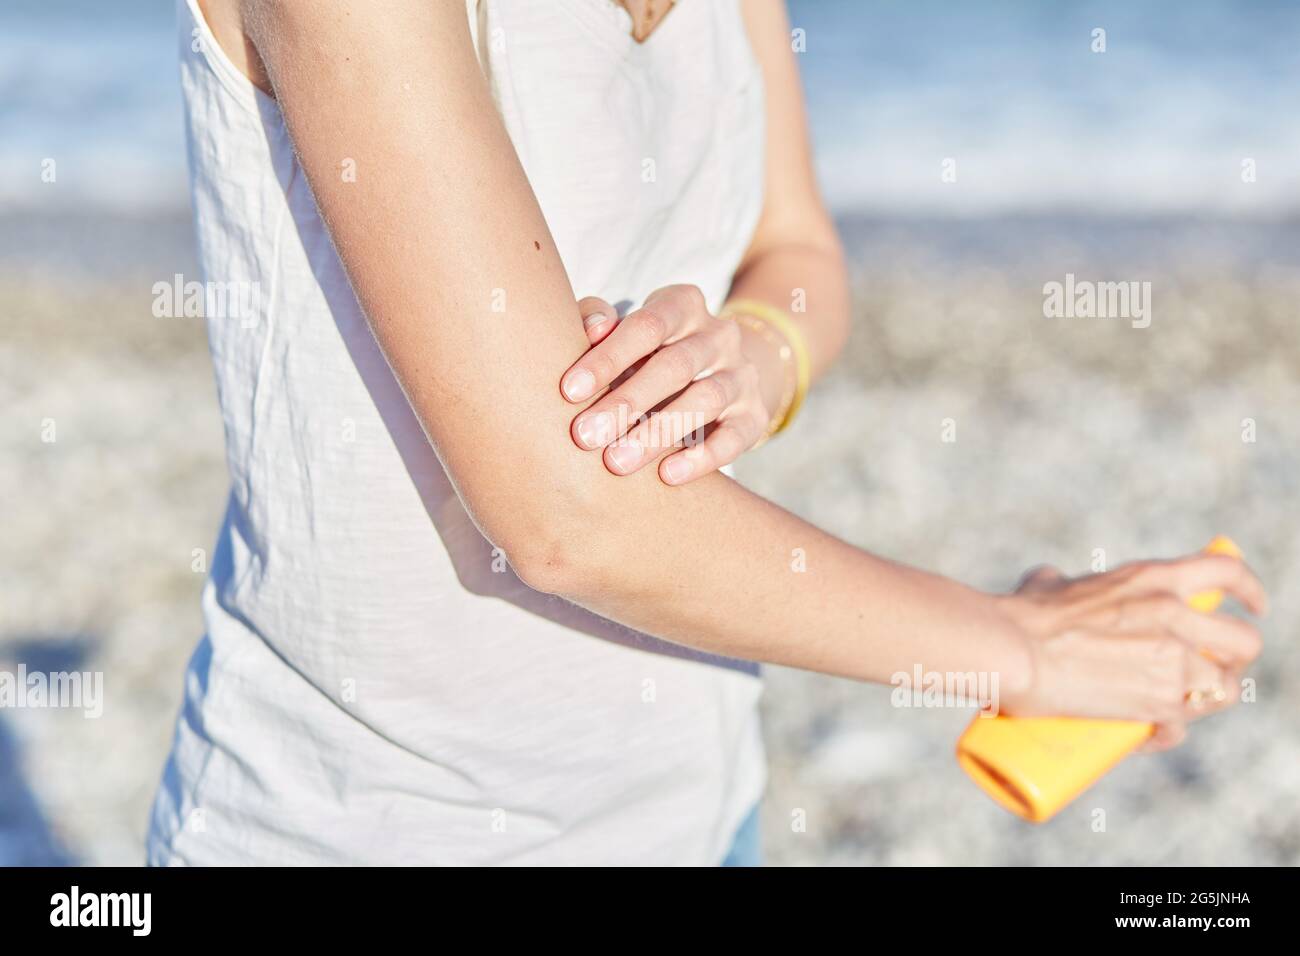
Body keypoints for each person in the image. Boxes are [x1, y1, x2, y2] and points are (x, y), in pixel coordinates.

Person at [148, 0, 1265, 865]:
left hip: (697, 810)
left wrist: (756, 351)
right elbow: (562, 513)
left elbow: (797, 249)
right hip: (372, 831)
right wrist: (1019, 648)